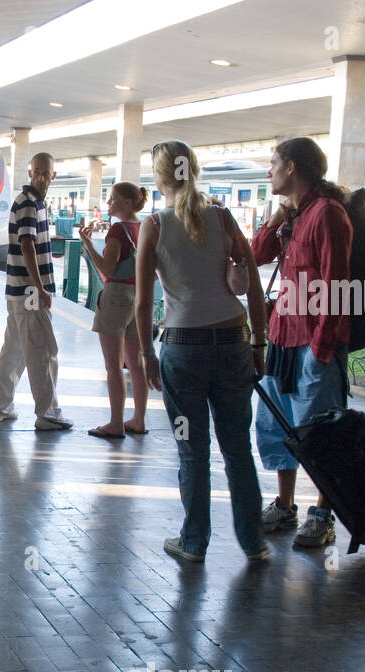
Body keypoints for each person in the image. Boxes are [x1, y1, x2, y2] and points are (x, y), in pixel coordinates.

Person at [134, 140, 270, 563]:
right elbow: (255, 292)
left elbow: (142, 303)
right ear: (193, 168)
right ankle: (254, 542)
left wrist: (146, 356)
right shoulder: (225, 218)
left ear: (158, 178)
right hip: (232, 343)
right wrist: (259, 344)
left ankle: (194, 542)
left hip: (182, 350)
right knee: (237, 449)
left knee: (191, 449)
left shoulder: (153, 225)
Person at [252, 136, 354, 549]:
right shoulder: (296, 215)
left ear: (292, 167)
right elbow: (255, 254)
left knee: (319, 434)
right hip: (282, 336)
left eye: (273, 162)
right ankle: (285, 504)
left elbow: (337, 284)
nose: (269, 169)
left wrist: (322, 348)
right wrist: (278, 216)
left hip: (314, 343)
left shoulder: (328, 214)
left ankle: (323, 515)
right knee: (275, 428)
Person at [0, 152, 72, 430]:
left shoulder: (36, 203)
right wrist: (40, 287)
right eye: (36, 171)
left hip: (17, 291)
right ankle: (47, 413)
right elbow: (27, 244)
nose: (40, 177)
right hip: (29, 292)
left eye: (45, 173)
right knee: (42, 351)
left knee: (13, 351)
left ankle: (1, 406)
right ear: (30, 173)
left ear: (53, 176)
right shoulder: (28, 203)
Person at [78, 181, 149, 439]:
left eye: (113, 199)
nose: (108, 204)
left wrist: (87, 245)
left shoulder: (118, 230)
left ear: (127, 202)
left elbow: (107, 269)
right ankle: (139, 419)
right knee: (135, 362)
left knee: (113, 365)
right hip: (138, 296)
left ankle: (116, 423)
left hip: (116, 296)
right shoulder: (142, 226)